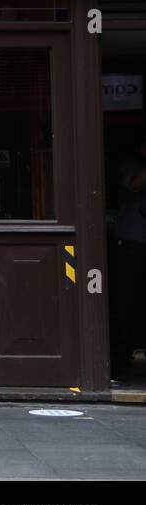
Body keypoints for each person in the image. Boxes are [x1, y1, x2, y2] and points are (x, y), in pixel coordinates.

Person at [110, 146, 146, 383]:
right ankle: (120, 358)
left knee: (131, 302)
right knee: (124, 303)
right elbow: (131, 185)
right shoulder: (131, 175)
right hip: (129, 246)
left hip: (137, 246)